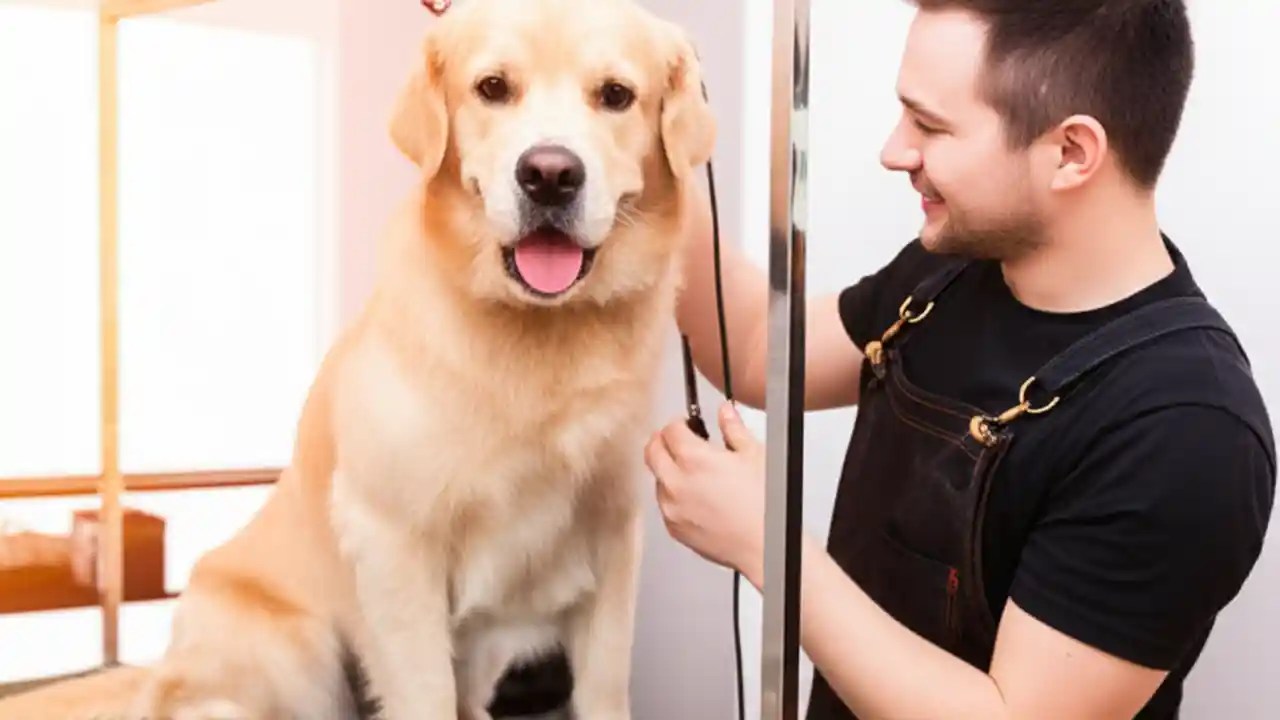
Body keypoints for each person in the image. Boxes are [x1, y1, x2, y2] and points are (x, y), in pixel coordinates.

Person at [644, 1, 1277, 719]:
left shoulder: (1186, 429)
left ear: (1072, 152)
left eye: (931, 126)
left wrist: (772, 548)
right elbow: (759, 349)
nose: (894, 150)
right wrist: (640, 150)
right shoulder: (951, 273)